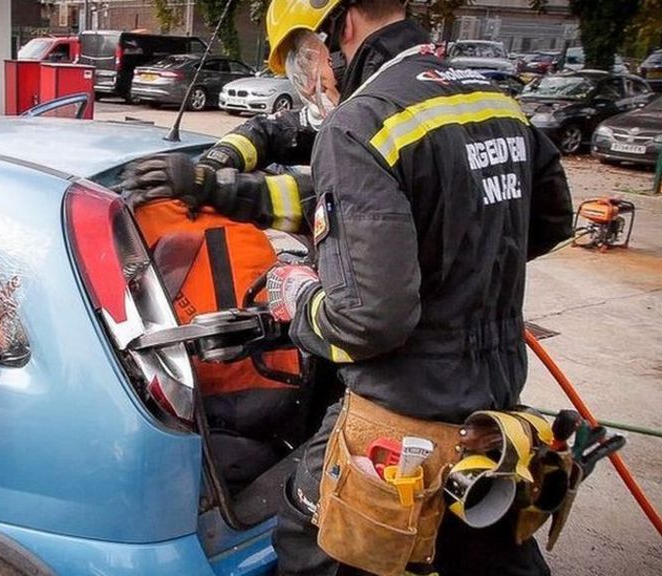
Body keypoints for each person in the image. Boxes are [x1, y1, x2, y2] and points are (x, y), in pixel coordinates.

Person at [121, 0, 574, 574]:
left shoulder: (361, 123)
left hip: (403, 415)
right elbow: (550, 221)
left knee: (309, 542)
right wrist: (453, 271)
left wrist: (296, 294)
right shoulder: (492, 100)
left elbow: (367, 322)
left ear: (339, 28)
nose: (308, 79)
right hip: (493, 416)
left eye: (300, 59)